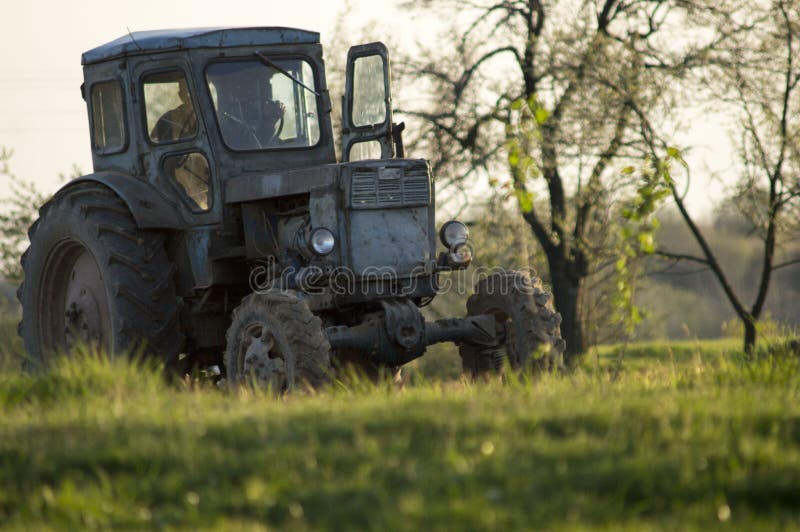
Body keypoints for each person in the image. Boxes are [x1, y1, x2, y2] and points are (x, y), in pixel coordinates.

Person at [150, 77, 197, 143]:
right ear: (180, 95)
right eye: (186, 92)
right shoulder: (168, 119)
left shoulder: (211, 116)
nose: (190, 96)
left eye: (193, 91)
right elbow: (154, 142)